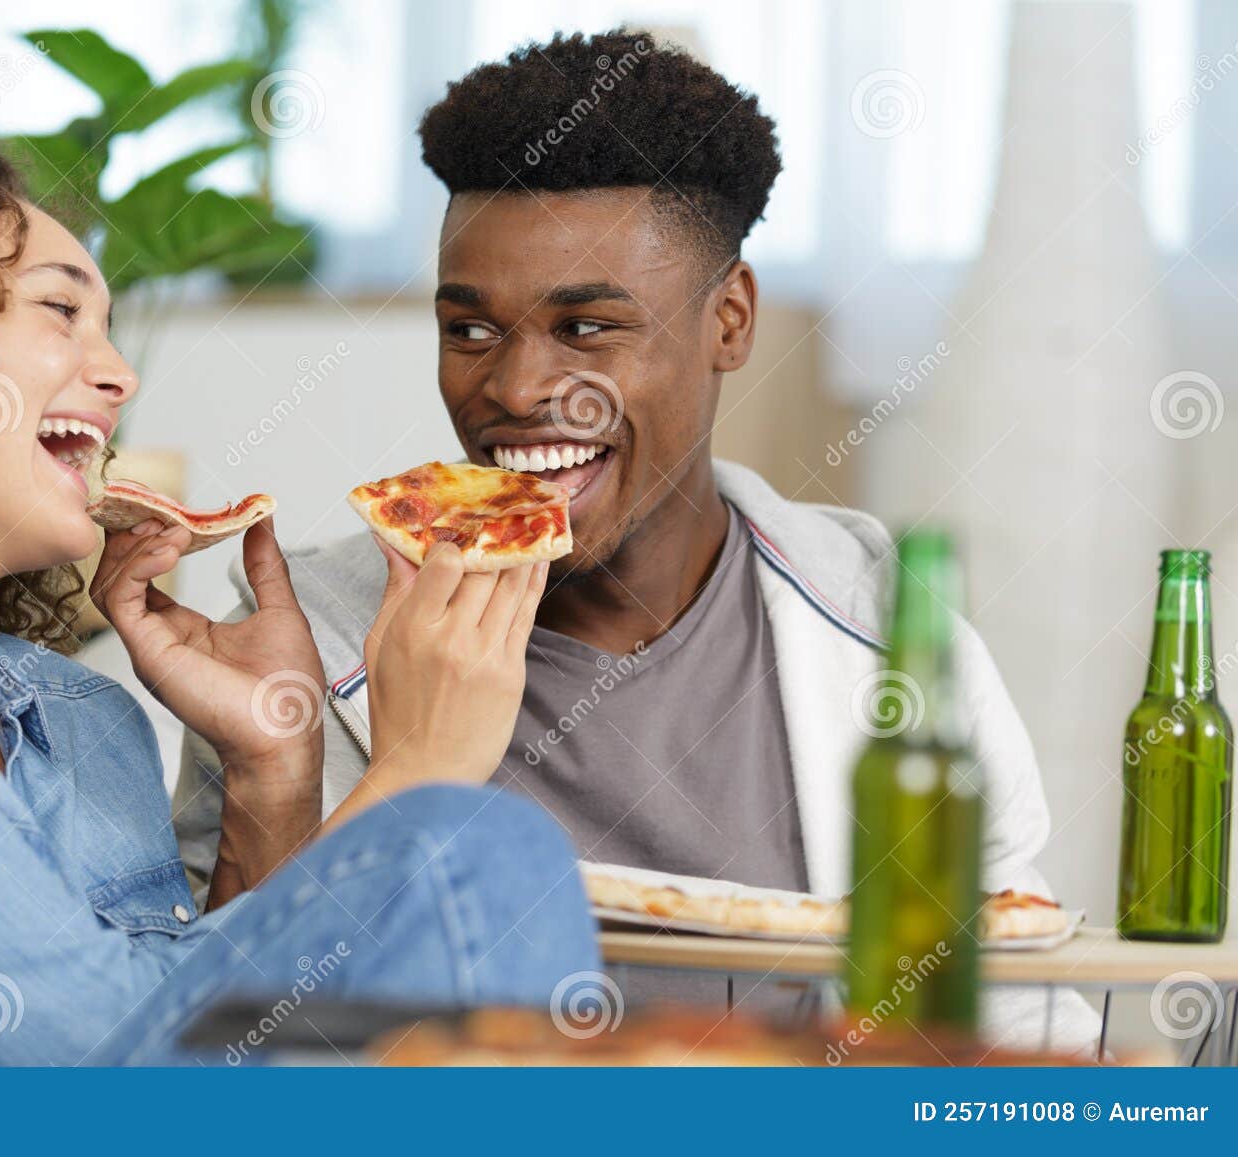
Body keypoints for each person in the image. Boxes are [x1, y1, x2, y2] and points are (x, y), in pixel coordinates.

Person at [0, 69, 596, 1066]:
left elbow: (234, 1057)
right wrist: (420, 769)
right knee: (491, 854)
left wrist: (274, 769)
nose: (118, 373)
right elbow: (105, 1057)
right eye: (59, 311)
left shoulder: (84, 723)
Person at [176, 30, 1098, 1050]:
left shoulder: (891, 629)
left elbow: (1019, 1036)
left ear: (729, 321)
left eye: (586, 329)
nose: (518, 390)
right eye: (469, 330)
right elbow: (212, 1060)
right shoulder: (305, 647)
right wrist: (313, 777)